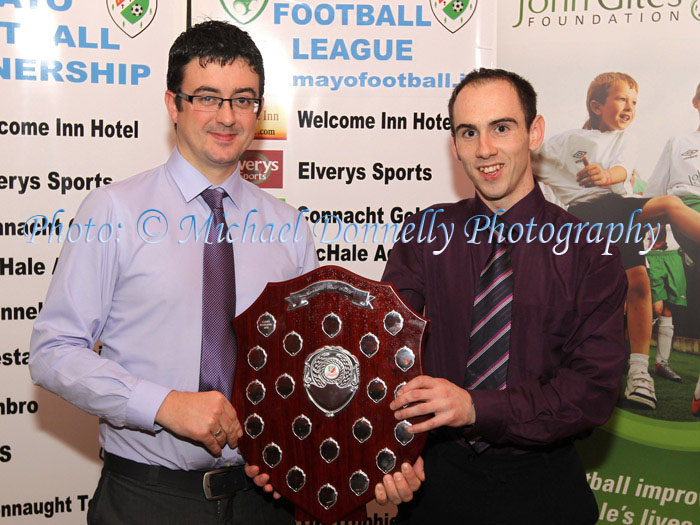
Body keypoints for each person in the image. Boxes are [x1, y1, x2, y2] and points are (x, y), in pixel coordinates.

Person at [29, 21, 318, 524]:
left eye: (243, 99)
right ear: (173, 104)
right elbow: (53, 353)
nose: (226, 116)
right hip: (148, 499)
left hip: (264, 500)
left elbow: (307, 369)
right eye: (207, 97)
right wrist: (164, 404)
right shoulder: (112, 211)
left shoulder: (289, 227)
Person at [382, 68, 628, 524]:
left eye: (502, 127)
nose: (485, 149)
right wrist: (385, 453)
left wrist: (476, 407)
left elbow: (591, 392)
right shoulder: (426, 233)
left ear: (534, 132)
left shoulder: (591, 252)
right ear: (454, 145)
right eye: (468, 132)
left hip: (544, 492)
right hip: (433, 489)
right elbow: (383, 355)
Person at [536, 72, 700, 410]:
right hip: (582, 219)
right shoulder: (566, 140)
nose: (630, 107)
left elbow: (623, 171)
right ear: (596, 105)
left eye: (634, 102)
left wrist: (606, 175)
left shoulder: (626, 139)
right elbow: (532, 166)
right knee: (594, 295)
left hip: (618, 211)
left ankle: (640, 374)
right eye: (622, 99)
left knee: (640, 278)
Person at [646, 226, 685, 382]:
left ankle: (662, 363)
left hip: (673, 255)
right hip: (650, 254)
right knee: (655, 308)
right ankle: (631, 356)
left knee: (668, 310)